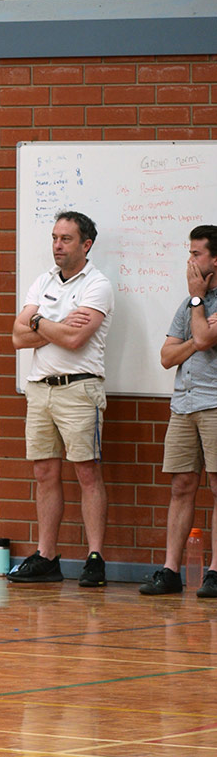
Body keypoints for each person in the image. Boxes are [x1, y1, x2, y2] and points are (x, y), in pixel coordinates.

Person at [8, 210, 113, 586]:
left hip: (79, 387)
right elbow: (18, 337)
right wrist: (50, 324)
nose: (57, 245)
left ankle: (95, 557)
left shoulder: (97, 285)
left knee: (86, 471)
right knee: (44, 472)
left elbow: (74, 339)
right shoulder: (42, 281)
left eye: (66, 239)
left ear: (86, 244)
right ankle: (47, 555)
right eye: (54, 237)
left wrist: (38, 323)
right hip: (40, 388)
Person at [140, 225, 217, 598]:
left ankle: (215, 571)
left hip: (215, 403)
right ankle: (170, 569)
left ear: (215, 260)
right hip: (184, 405)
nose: (189, 262)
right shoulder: (188, 305)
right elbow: (167, 357)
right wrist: (195, 332)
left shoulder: (196, 301)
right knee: (182, 485)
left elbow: (204, 339)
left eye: (196, 255)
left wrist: (198, 301)